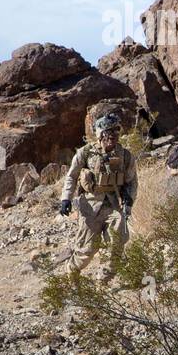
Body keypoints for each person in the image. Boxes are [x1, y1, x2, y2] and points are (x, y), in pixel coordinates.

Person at [58, 112, 137, 281]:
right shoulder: (85, 153)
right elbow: (72, 176)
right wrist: (66, 198)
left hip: (113, 204)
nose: (113, 136)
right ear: (100, 134)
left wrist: (129, 201)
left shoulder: (125, 155)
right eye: (109, 133)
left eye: (116, 132)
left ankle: (104, 279)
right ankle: (72, 271)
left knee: (118, 241)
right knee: (88, 249)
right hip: (90, 205)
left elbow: (131, 181)